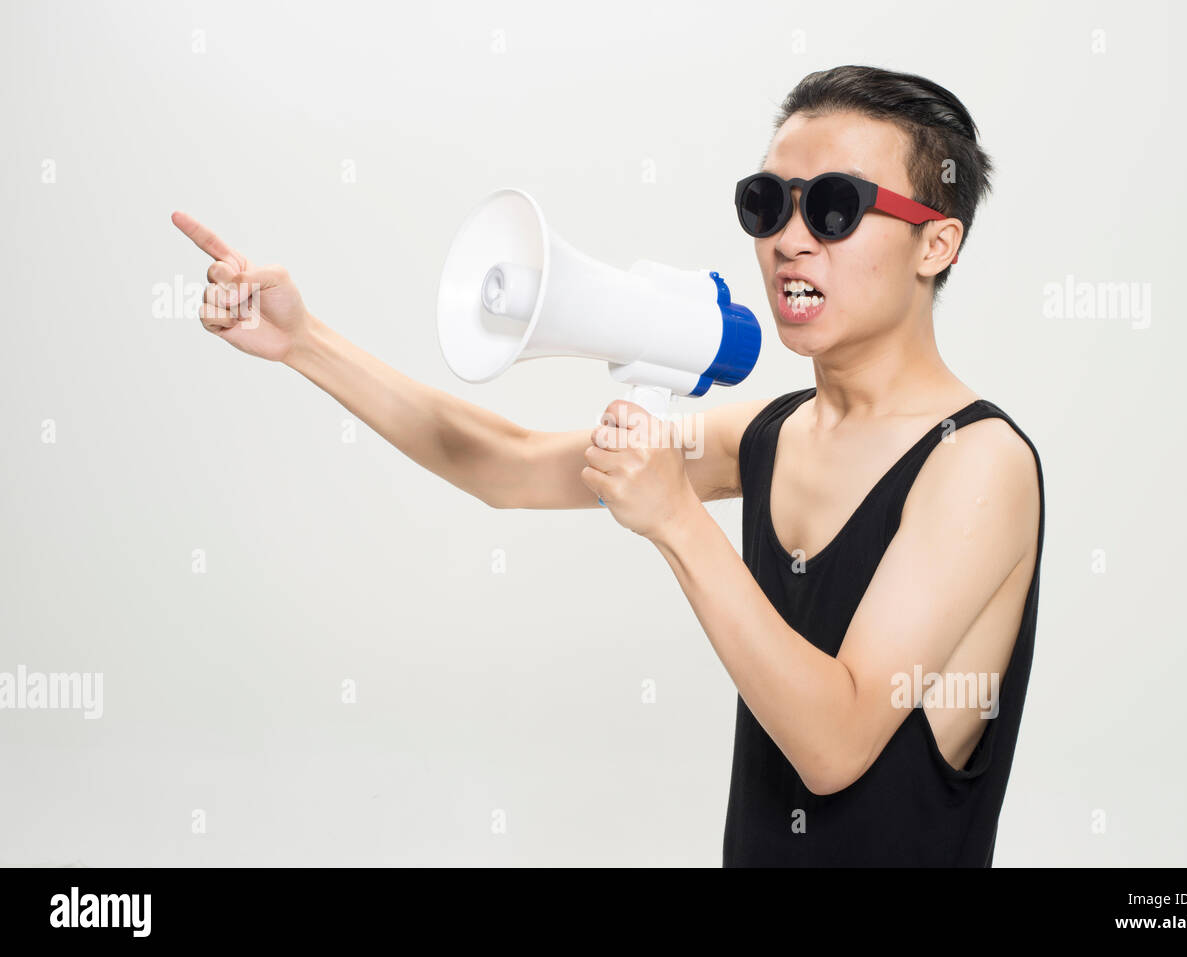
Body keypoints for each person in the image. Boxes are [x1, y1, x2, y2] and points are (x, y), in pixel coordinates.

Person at [172, 63, 1044, 867]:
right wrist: (303, 341)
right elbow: (503, 466)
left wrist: (676, 520)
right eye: (768, 202)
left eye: (835, 208)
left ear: (937, 244)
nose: (788, 238)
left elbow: (834, 743)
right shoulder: (768, 435)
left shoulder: (978, 463)